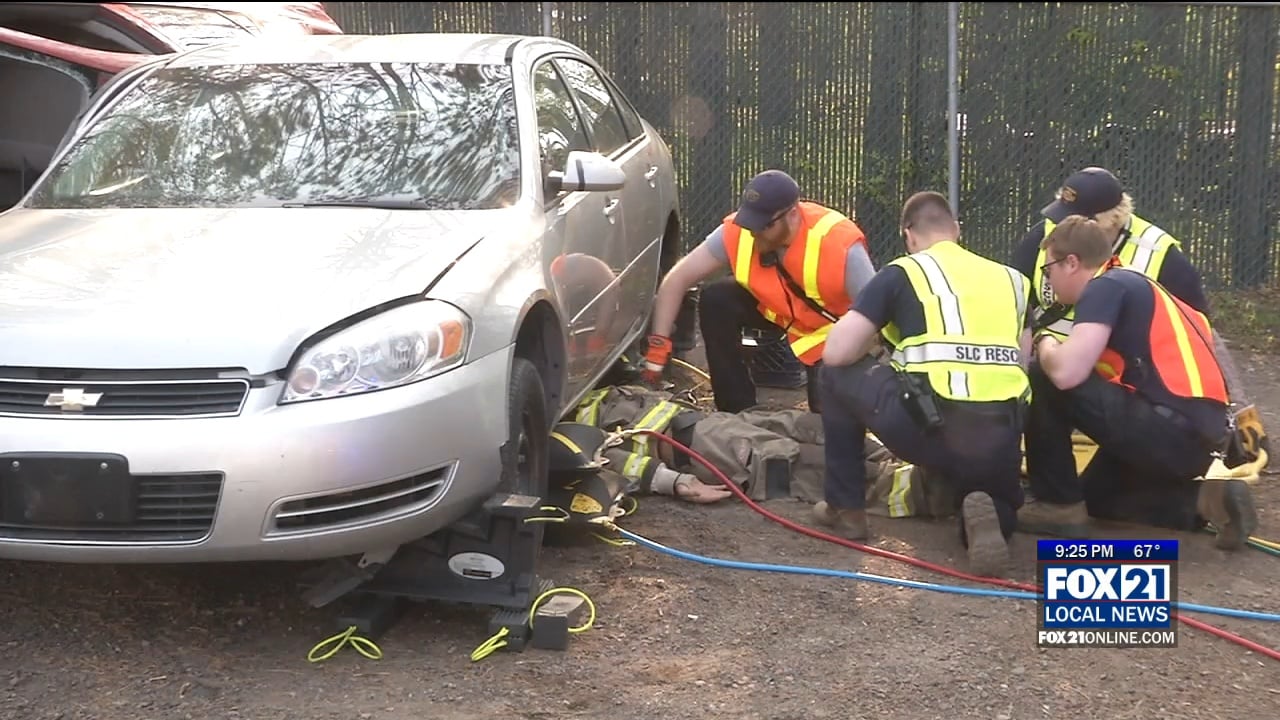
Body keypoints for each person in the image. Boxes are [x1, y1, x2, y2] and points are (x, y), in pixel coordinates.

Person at [814, 191, 1032, 576]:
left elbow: (837, 352)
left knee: (832, 374)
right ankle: (987, 515)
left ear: (908, 235)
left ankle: (845, 506)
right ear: (957, 230)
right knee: (996, 498)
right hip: (1000, 437)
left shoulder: (903, 272)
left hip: (928, 429)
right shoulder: (1013, 281)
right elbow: (1022, 365)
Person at [1016, 215, 1258, 550]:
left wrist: (1045, 343)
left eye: (1048, 270)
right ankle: (1206, 501)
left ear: (1071, 263)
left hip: (1165, 426)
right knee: (1096, 498)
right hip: (1200, 440)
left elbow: (1066, 374)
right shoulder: (1138, 285)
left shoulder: (1105, 286)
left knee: (1044, 375)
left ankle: (1057, 508)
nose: (1049, 281)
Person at [640, 169, 876, 414]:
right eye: (751, 222)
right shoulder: (740, 232)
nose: (755, 232)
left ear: (792, 214)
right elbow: (676, 280)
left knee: (827, 419)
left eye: (764, 225)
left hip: (829, 334)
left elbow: (877, 313)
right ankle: (737, 411)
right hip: (777, 311)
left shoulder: (838, 244)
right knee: (716, 299)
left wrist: (845, 359)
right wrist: (658, 346)